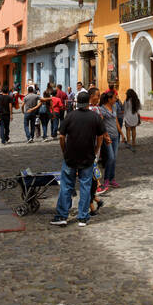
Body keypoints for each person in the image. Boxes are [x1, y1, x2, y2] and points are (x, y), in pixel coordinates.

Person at [51, 88, 105, 227]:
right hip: (87, 156)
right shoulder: (95, 117)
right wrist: (96, 149)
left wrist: (64, 150)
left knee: (66, 187)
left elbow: (62, 137)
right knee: (85, 187)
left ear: (76, 102)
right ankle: (83, 217)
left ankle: (62, 216)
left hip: (70, 157)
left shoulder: (70, 116)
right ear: (88, 102)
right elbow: (100, 136)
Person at [98, 88, 124, 191]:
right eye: (114, 97)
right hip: (107, 137)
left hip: (115, 136)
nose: (116, 99)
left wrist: (121, 133)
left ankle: (112, 178)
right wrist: (105, 135)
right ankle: (106, 180)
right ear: (109, 99)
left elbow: (116, 120)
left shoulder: (114, 107)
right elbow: (101, 123)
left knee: (114, 159)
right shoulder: (102, 109)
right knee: (111, 158)